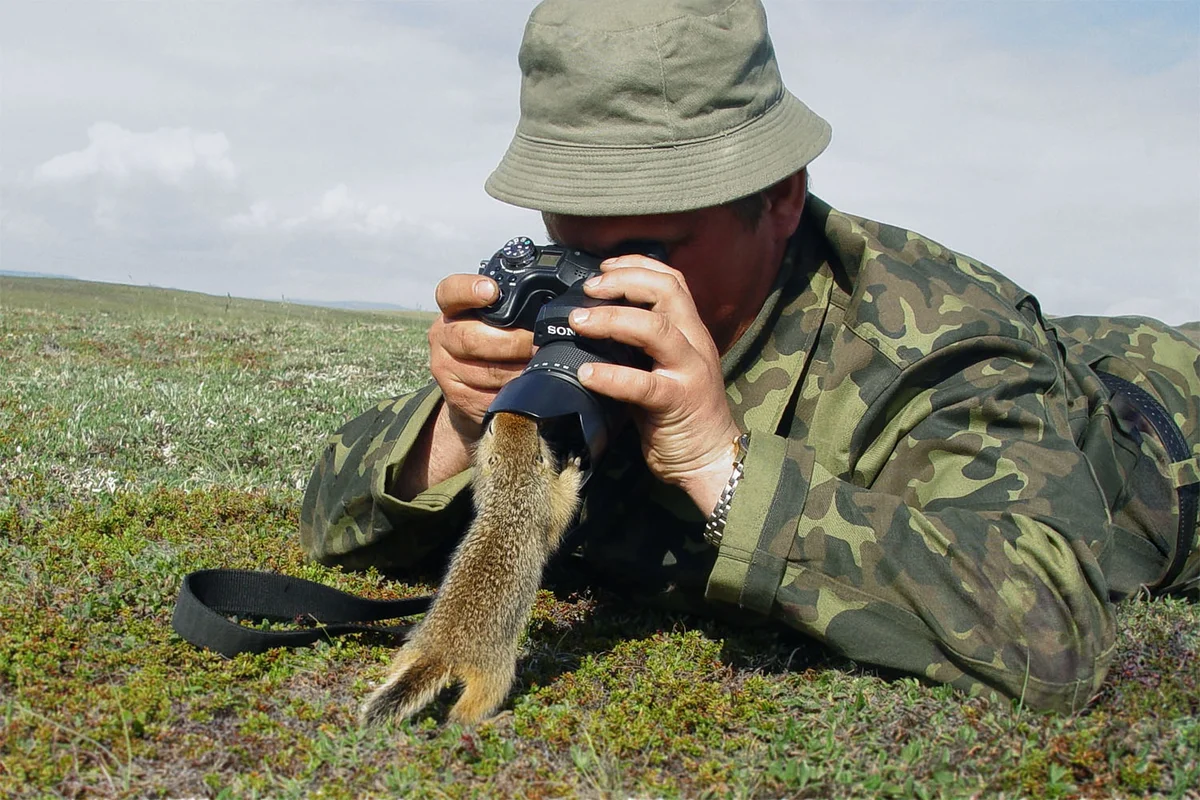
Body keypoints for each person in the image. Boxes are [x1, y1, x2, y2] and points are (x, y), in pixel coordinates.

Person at [299, 0, 1200, 712]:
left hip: (1160, 412)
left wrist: (719, 467)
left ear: (779, 197)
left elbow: (1052, 636)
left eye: (658, 245)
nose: (608, 282)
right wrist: (461, 429)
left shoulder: (938, 341)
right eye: (572, 239)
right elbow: (328, 518)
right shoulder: (570, 305)